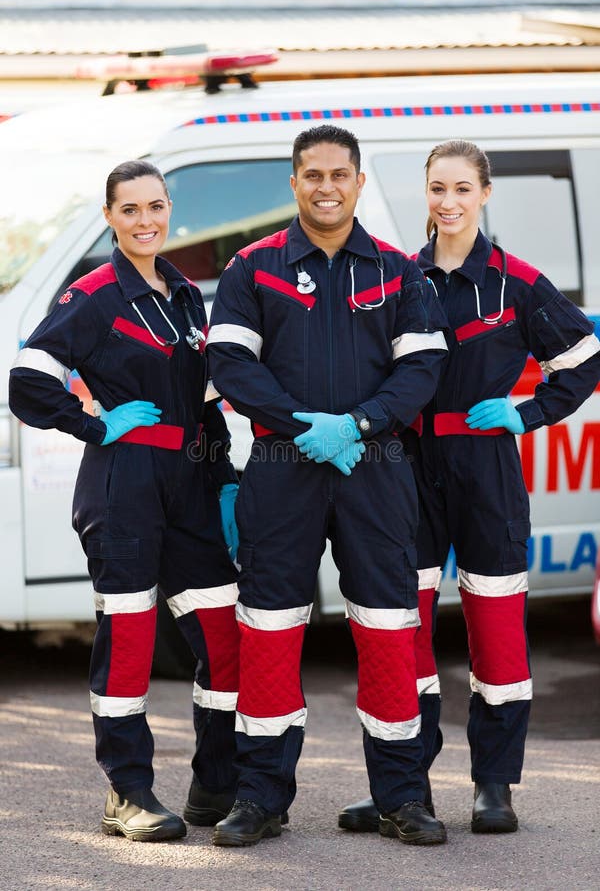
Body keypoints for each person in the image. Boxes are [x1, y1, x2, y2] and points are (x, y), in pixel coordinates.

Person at [338, 138, 600, 835]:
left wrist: (527, 410)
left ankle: (493, 786)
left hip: (487, 473)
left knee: (497, 637)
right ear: (423, 195)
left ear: (485, 194)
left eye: (462, 189)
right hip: (408, 471)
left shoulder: (517, 283)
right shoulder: (398, 279)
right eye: (437, 189)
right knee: (404, 635)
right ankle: (406, 786)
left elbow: (582, 359)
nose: (448, 202)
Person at [206, 124, 450, 848]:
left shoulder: (400, 273)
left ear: (359, 182)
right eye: (312, 175)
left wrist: (361, 426)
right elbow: (229, 364)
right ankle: (260, 797)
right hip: (284, 469)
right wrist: (303, 425)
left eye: (339, 174)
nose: (326, 187)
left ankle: (401, 798)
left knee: (385, 628)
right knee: (271, 629)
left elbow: (423, 370)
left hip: (374, 469)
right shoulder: (251, 268)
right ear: (293, 183)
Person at [9, 160, 243, 842]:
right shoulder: (92, 296)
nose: (146, 221)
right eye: (130, 209)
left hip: (191, 485)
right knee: (132, 639)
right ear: (109, 218)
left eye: (156, 207)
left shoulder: (183, 294)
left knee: (224, 639)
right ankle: (128, 791)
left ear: (171, 211)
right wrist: (93, 422)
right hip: (124, 485)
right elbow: (29, 380)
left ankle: (215, 782)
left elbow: (204, 399)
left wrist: (223, 475)